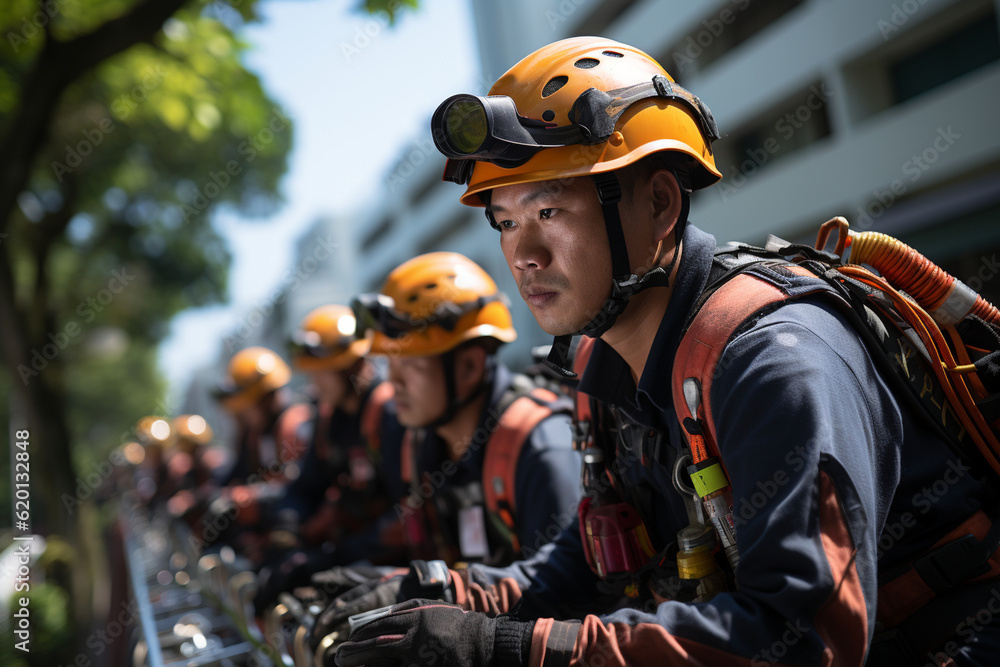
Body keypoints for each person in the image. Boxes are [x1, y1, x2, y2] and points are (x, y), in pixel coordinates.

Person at [331, 37, 1000, 666]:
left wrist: (508, 647)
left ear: (658, 205)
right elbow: (585, 564)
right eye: (506, 222)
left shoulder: (775, 362)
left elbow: (802, 637)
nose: (524, 255)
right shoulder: (606, 367)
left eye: (550, 212)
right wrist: (442, 595)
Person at [307, 252, 583, 654]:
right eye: (387, 363)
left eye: (409, 365)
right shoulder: (419, 443)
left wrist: (439, 593)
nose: (392, 382)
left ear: (470, 366)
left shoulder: (541, 446)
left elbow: (567, 593)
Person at [253, 305, 406, 611]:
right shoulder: (330, 419)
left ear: (351, 367)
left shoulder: (389, 413)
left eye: (319, 372)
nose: (313, 383)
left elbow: (406, 517)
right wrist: (287, 529)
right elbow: (305, 487)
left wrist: (333, 558)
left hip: (395, 570)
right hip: (351, 557)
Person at [206, 346, 312, 558]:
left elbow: (305, 490)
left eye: (246, 405)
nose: (241, 414)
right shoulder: (258, 435)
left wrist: (254, 497)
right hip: (271, 530)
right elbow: (240, 478)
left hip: (303, 534)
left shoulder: (298, 427)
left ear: (265, 398)